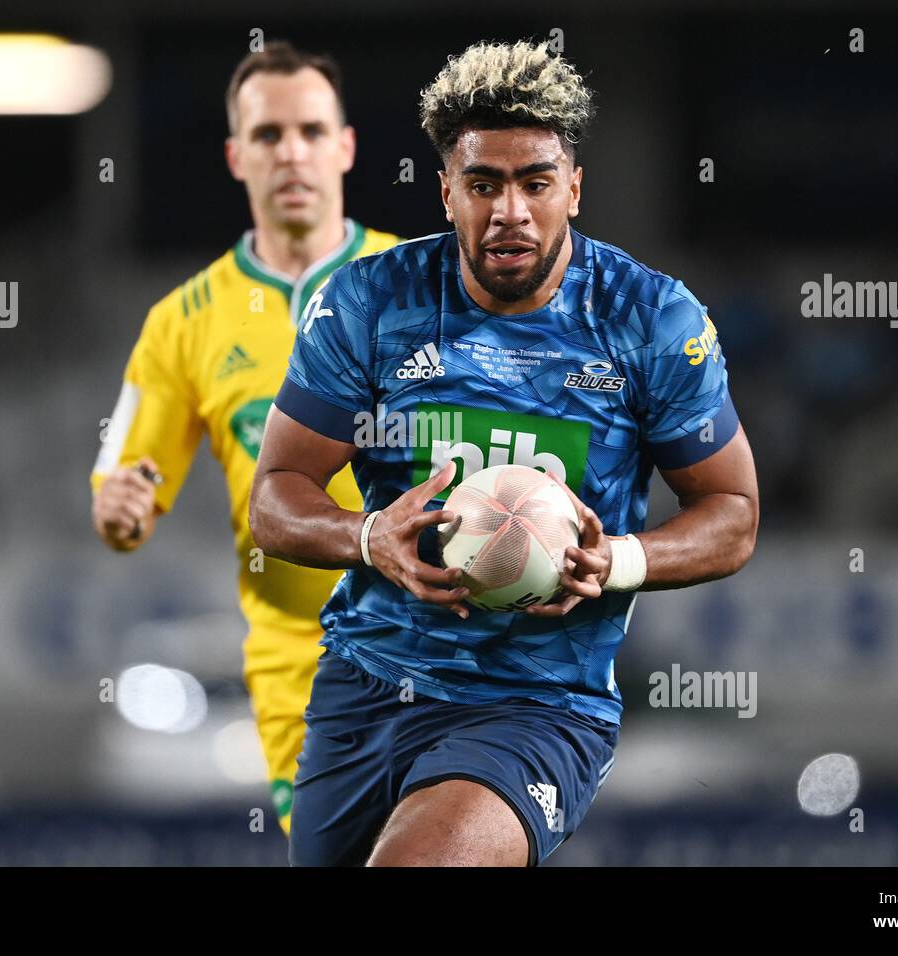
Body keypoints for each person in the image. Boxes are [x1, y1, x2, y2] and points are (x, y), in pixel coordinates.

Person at [249, 39, 759, 866]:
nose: (510, 211)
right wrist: (367, 536)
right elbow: (275, 495)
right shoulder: (371, 303)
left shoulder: (650, 320)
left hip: (536, 704)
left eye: (536, 182)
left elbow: (732, 515)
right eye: (483, 184)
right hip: (367, 685)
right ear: (447, 191)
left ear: (575, 189)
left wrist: (620, 561)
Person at [91, 42, 398, 833]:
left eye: (309, 129)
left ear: (345, 146)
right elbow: (123, 495)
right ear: (236, 156)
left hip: (439, 648)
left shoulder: (421, 283)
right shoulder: (182, 323)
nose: (290, 152)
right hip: (299, 670)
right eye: (267, 135)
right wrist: (119, 508)